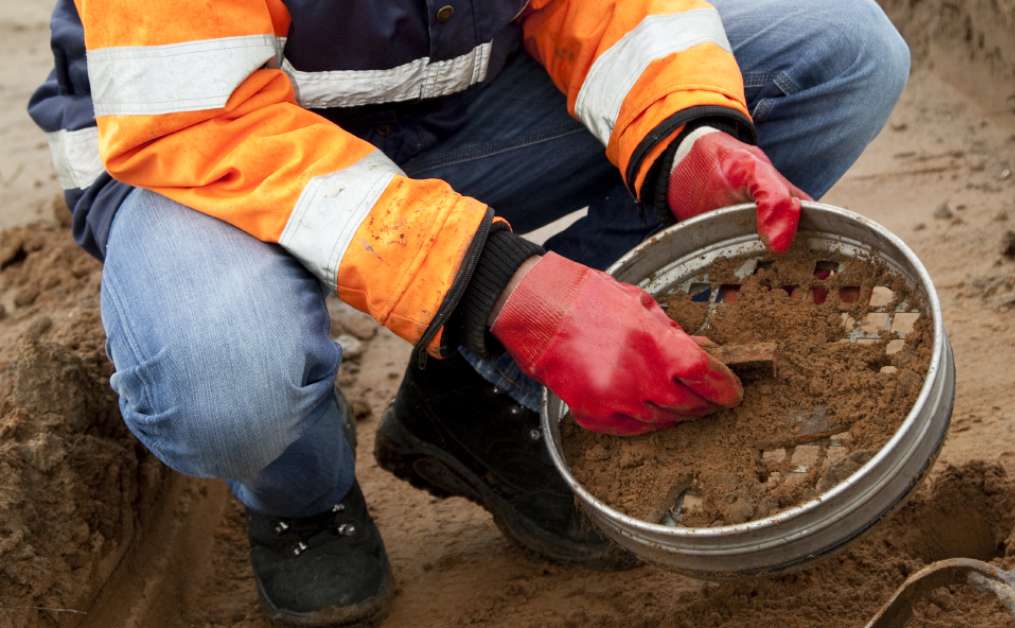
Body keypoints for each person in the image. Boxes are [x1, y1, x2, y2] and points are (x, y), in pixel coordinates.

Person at [27, 0, 909, 624]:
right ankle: (303, 497)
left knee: (840, 54)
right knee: (224, 379)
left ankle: (486, 407)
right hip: (197, 160)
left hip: (452, 117)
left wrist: (682, 131)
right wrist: (504, 289)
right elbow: (198, 127)